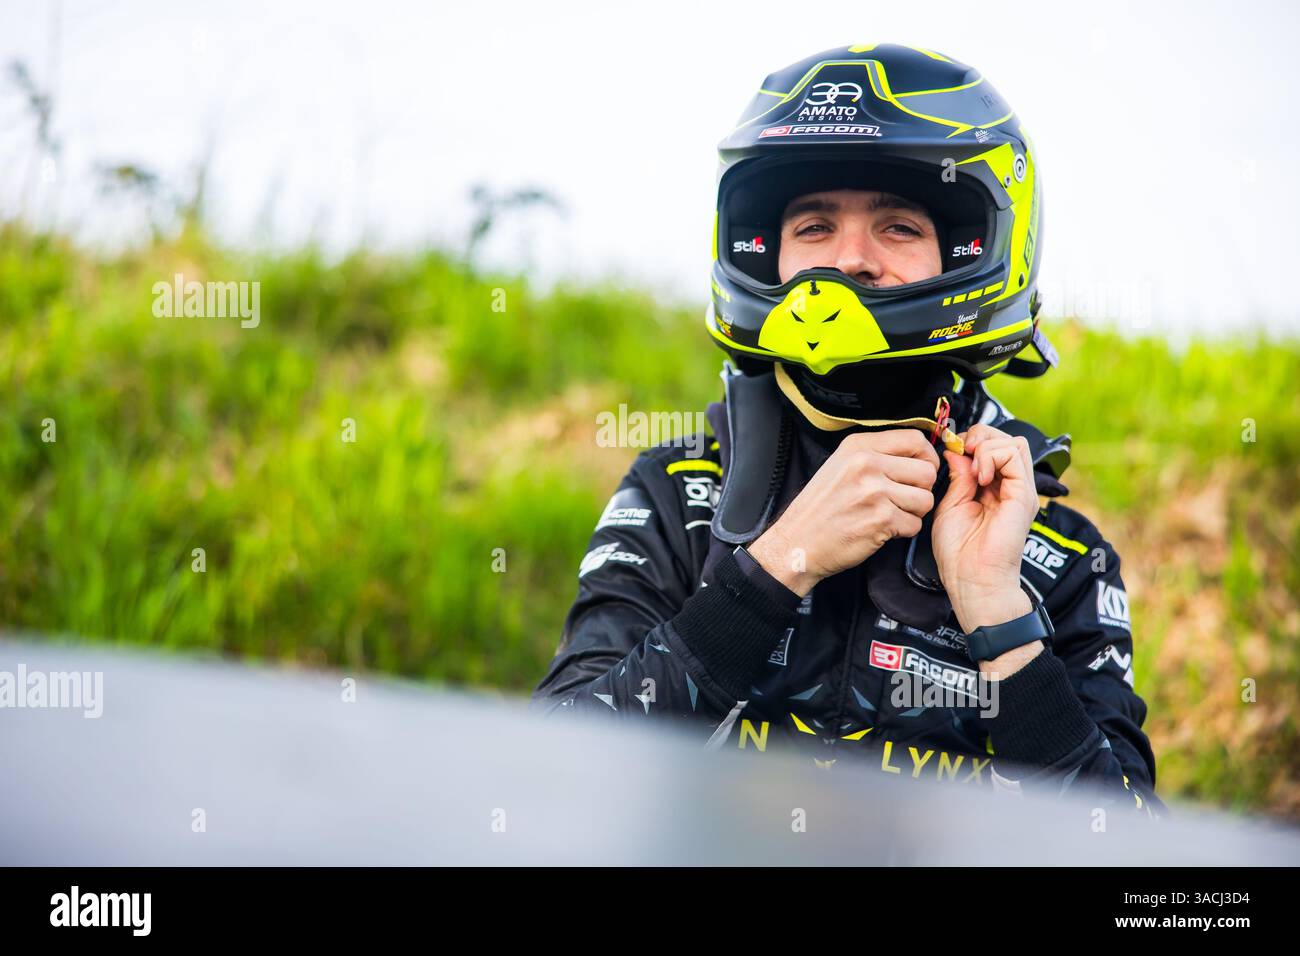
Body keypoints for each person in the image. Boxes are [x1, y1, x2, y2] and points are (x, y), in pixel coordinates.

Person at [532, 44, 1163, 817]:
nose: (850, 261)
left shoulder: (1057, 555)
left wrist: (999, 617)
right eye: (815, 225)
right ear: (767, 253)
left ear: (970, 251)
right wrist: (774, 568)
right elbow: (557, 779)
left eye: (897, 226)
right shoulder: (681, 493)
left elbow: (1133, 859)